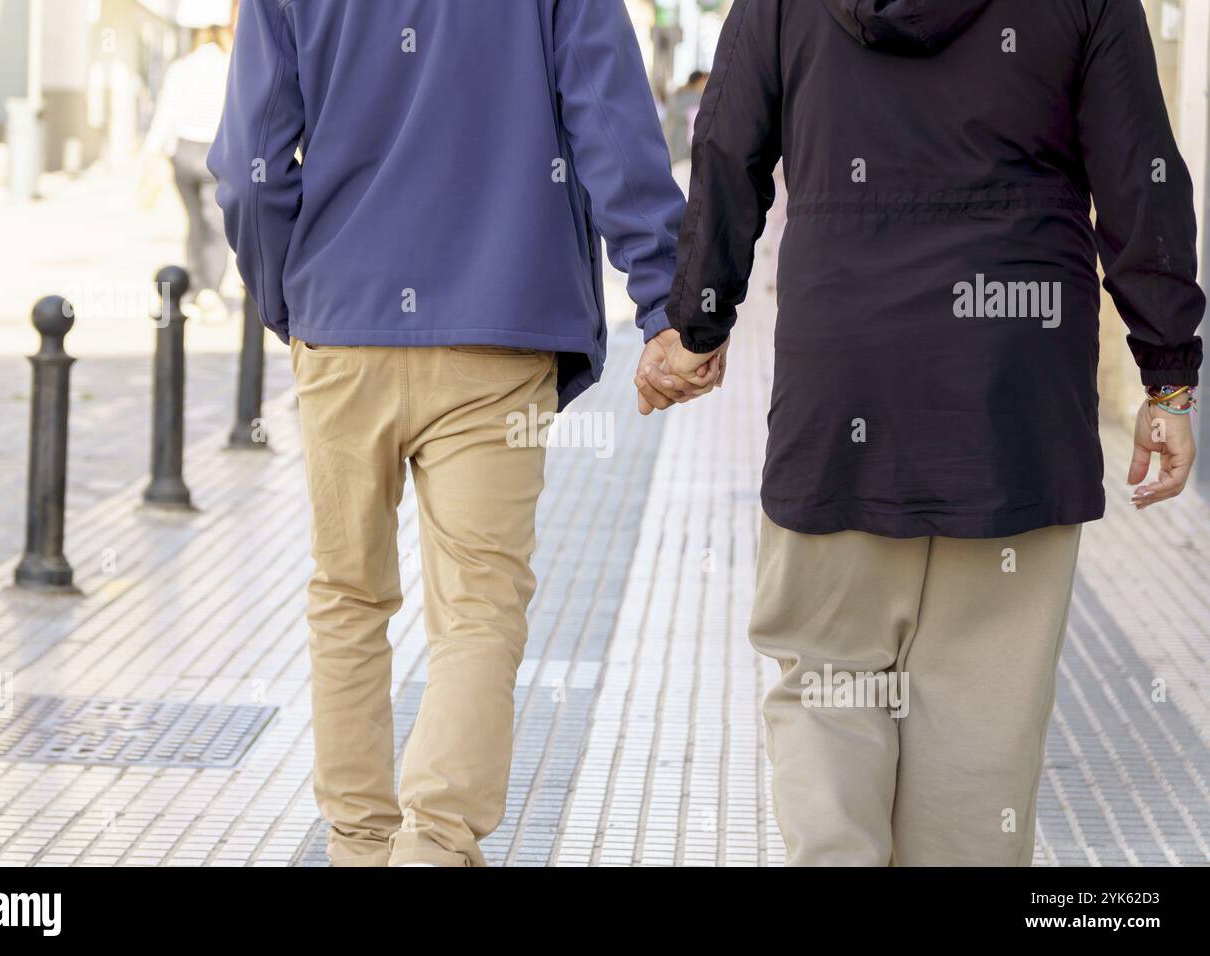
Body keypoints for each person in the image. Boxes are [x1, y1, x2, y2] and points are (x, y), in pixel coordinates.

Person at [639, 0, 1201, 865]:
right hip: (1013, 392)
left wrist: (698, 322)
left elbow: (728, 147)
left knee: (828, 684)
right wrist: (1168, 376)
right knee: (983, 712)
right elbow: (1141, 176)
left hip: (843, 379)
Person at [208, 0, 683, 867]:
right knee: (479, 610)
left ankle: (358, 849)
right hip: (499, 325)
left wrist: (296, 299)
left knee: (348, 596)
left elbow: (248, 171)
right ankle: (434, 849)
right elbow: (609, 123)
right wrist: (665, 299)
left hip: (345, 325)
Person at [143, 0, 238, 324]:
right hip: (217, 151)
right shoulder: (232, 65)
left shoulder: (182, 67)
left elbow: (166, 114)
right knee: (216, 225)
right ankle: (208, 290)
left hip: (183, 151)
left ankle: (197, 287)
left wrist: (153, 152)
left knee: (195, 223)